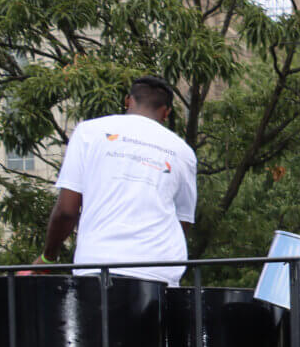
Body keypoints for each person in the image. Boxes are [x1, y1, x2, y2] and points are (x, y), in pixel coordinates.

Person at [41, 76, 198, 285]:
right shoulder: (183, 152)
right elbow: (183, 220)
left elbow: (66, 211)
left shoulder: (89, 132)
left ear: (127, 101)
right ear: (166, 112)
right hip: (160, 274)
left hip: (98, 267)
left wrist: (47, 258)